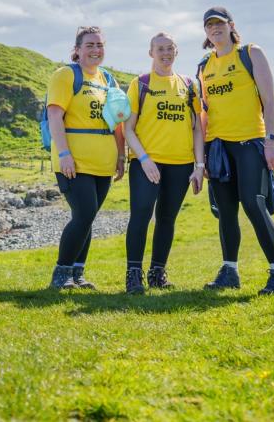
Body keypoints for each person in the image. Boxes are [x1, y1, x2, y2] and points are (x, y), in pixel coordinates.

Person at [197, 6, 274, 295]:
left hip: (250, 143)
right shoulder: (204, 66)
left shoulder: (250, 53)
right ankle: (229, 272)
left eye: (220, 24)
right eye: (209, 26)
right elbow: (203, 114)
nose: (215, 29)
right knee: (225, 212)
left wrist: (271, 142)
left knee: (254, 204)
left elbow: (270, 101)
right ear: (205, 32)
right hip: (218, 148)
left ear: (231, 25)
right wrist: (200, 158)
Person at [121, 33, 205, 294]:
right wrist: (144, 159)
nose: (165, 53)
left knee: (167, 219)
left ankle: (158, 273)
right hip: (147, 163)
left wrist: (199, 166)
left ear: (176, 51)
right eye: (160, 49)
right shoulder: (140, 84)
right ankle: (133, 274)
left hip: (180, 164)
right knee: (141, 216)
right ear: (151, 53)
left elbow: (197, 129)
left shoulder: (189, 85)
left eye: (170, 49)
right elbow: (128, 128)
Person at [45, 26, 126, 290]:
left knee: (88, 217)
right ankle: (61, 274)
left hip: (103, 163)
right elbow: (55, 115)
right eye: (89, 45)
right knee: (85, 213)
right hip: (74, 161)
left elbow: (117, 121)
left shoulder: (108, 80)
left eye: (99, 45)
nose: (95, 50)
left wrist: (121, 156)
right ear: (77, 50)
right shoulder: (66, 75)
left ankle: (77, 274)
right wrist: (64, 153)